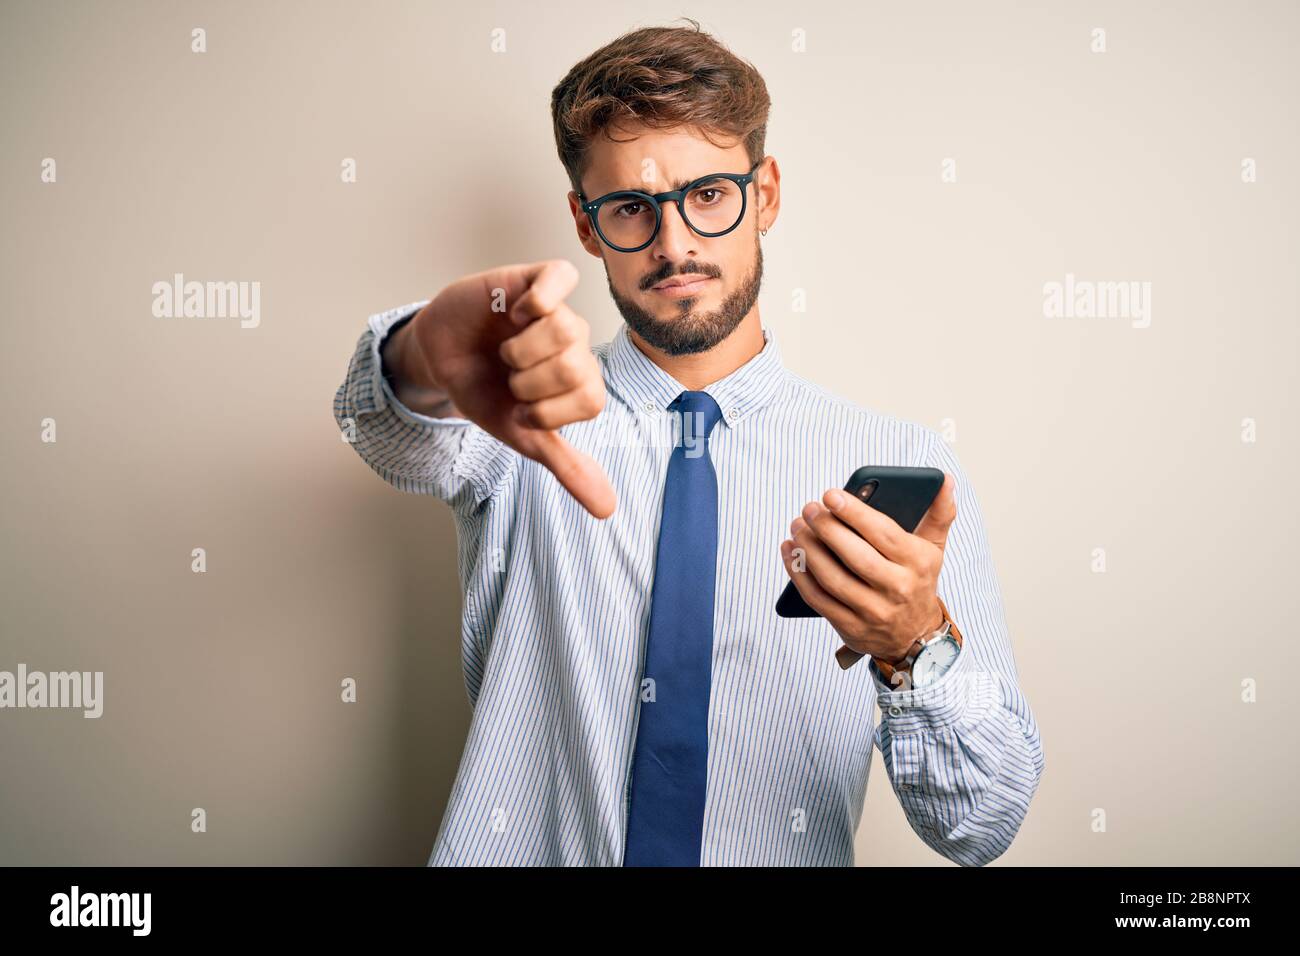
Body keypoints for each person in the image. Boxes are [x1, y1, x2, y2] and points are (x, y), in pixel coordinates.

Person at [333, 19, 1043, 866]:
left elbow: (982, 825)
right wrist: (422, 352)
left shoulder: (901, 466)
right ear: (586, 225)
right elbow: (382, 424)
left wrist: (913, 646)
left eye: (709, 194)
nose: (674, 245)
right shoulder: (516, 419)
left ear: (766, 194)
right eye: (631, 208)